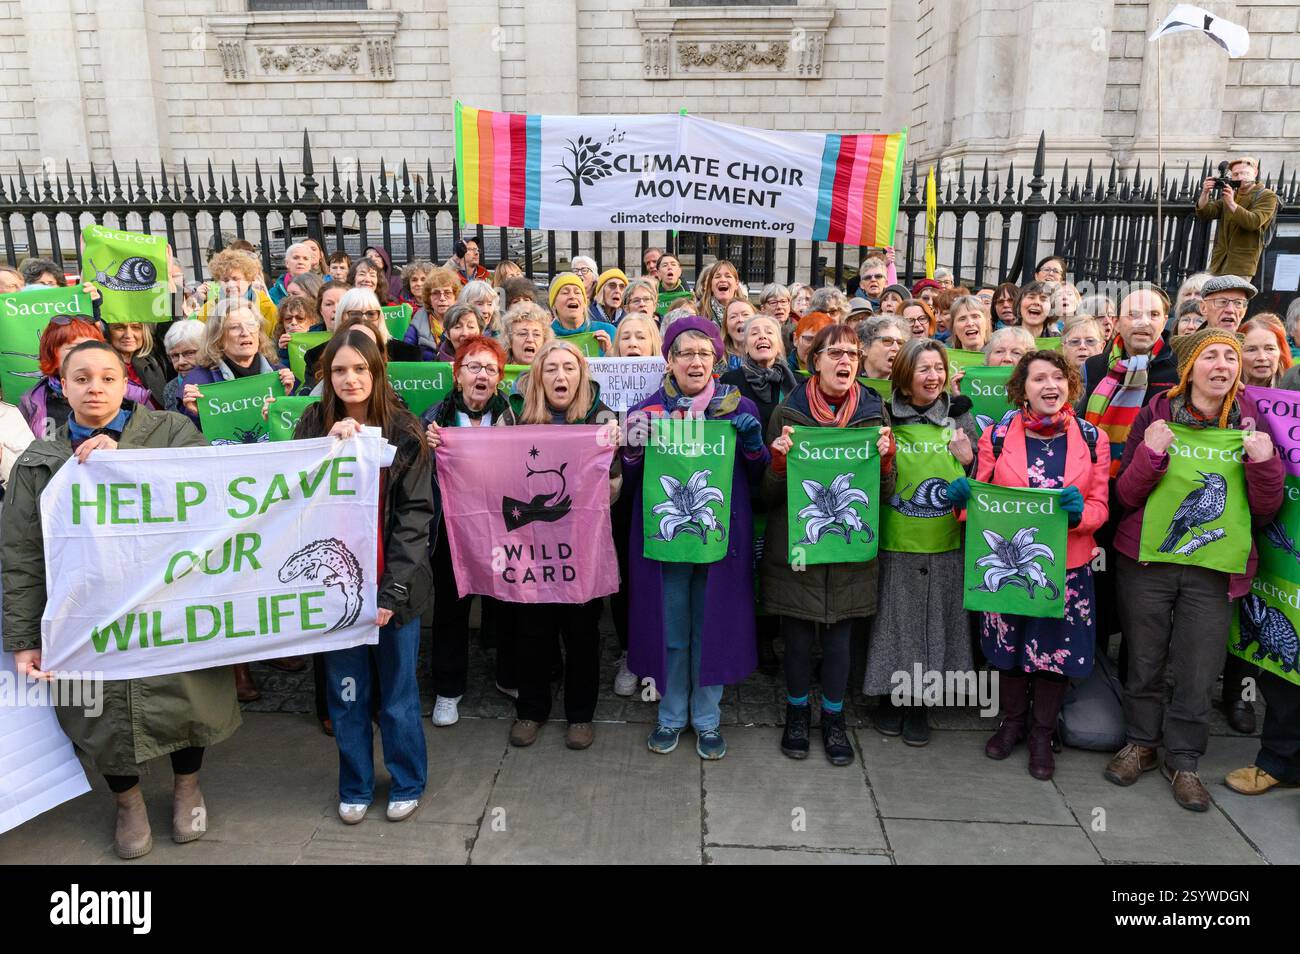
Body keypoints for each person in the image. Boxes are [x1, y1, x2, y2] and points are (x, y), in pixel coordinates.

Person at [4, 339, 239, 859]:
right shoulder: (40, 461)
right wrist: (24, 638)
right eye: (81, 378)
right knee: (98, 715)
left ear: (125, 383)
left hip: (168, 607)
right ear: (62, 387)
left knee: (186, 700)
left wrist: (128, 460)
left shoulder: (171, 432)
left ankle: (187, 787)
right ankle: (128, 802)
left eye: (107, 378)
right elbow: (20, 555)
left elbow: (212, 498)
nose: (95, 388)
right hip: (83, 617)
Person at [1106, 328, 1283, 811]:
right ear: (1190, 368)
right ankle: (1141, 743)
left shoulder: (1252, 421)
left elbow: (1264, 512)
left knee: (1199, 667)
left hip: (1214, 569)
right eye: (1212, 357)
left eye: (1231, 356)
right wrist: (1152, 454)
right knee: (1144, 658)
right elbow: (1126, 496)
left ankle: (1183, 759)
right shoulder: (1157, 413)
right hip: (1148, 561)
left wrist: (1264, 464)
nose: (1223, 365)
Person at [949, 349, 1110, 780]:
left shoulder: (1093, 439)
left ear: (1071, 386)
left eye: (1058, 378)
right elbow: (981, 496)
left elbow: (1100, 507)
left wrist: (1080, 516)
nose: (1050, 386)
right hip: (1006, 563)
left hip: (1067, 566)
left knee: (1052, 654)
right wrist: (963, 500)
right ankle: (1013, 722)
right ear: (1023, 388)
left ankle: (1042, 732)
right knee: (1009, 652)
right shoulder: (998, 435)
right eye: (1039, 379)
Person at [294, 330, 433, 824]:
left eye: (360, 369)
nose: (349, 379)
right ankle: (354, 784)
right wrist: (321, 451)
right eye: (339, 371)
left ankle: (407, 779)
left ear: (376, 373)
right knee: (347, 692)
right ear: (326, 377)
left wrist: (392, 590)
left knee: (396, 696)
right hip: (337, 593)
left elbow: (416, 518)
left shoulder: (404, 430)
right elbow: (294, 497)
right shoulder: (313, 422)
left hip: (394, 590)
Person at [623, 316, 770, 760]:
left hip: (720, 540)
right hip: (663, 544)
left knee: (713, 626)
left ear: (718, 361)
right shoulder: (647, 411)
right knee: (672, 629)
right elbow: (627, 482)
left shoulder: (739, 409)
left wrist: (754, 446)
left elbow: (759, 474)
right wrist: (631, 447)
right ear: (669, 361)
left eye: (705, 353)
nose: (696, 361)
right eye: (686, 353)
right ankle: (670, 715)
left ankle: (707, 720)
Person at [763, 324, 893, 766]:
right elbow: (767, 496)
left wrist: (887, 462)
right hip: (798, 549)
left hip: (850, 550)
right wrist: (778, 464)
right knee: (797, 642)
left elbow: (885, 495)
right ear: (813, 360)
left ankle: (834, 719)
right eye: (834, 352)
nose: (845, 361)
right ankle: (797, 712)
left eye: (853, 354)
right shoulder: (787, 413)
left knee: (839, 643)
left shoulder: (875, 412)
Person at [866, 338, 980, 744]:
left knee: (936, 621)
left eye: (939, 368)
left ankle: (921, 704)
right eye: (923, 369)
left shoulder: (960, 417)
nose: (934, 377)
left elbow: (987, 477)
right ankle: (891, 697)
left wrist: (971, 461)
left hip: (946, 541)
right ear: (904, 376)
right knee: (895, 621)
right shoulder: (882, 415)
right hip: (895, 537)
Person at [508, 339, 620, 749]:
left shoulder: (603, 417)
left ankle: (580, 715)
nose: (561, 376)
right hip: (531, 545)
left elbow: (617, 481)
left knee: (582, 631)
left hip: (581, 545)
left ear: (582, 376)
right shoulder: (516, 418)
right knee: (531, 630)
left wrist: (615, 458)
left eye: (569, 368)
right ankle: (531, 710)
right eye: (551, 368)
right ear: (538, 376)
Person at [422, 336, 518, 726]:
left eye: (490, 369)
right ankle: (448, 688)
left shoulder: (514, 415)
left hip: (502, 529)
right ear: (457, 374)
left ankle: (510, 676)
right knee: (451, 609)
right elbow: (410, 472)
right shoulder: (435, 416)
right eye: (473, 367)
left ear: (499, 378)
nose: (482, 375)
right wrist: (426, 449)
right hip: (452, 532)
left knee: (509, 603)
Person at [1080, 287, 1179, 660]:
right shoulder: (1093, 366)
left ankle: (1132, 681)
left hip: (1154, 496)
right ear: (1116, 321)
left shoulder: (1177, 372)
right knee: (1099, 586)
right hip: (1101, 491)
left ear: (1164, 321)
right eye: (1134, 314)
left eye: (1153, 315)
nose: (1143, 322)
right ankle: (1093, 674)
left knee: (1143, 600)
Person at [19, 317, 151, 439]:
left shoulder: (135, 397)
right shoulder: (32, 402)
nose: (86, 354)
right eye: (75, 348)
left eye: (92, 346)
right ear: (52, 354)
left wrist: (120, 448)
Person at [1195, 156, 1278, 278]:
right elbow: (1205, 212)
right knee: (1212, 297)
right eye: (1236, 174)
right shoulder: (1233, 194)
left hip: (1241, 266)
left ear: (1255, 173)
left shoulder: (1267, 196)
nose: (1240, 177)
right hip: (1218, 263)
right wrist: (1205, 192)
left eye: (1245, 173)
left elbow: (1253, 222)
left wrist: (1231, 204)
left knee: (1234, 297)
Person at [197, 248, 279, 337]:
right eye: (225, 280)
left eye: (236, 279)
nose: (230, 284)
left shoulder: (267, 308)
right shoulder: (207, 310)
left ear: (249, 279)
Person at [103, 321, 165, 409]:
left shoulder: (155, 361)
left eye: (136, 327)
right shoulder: (101, 367)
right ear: (108, 333)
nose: (128, 335)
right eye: (120, 328)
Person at [549, 273, 613, 354]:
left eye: (577, 292)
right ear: (553, 304)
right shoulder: (544, 337)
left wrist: (609, 352)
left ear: (584, 302)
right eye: (565, 292)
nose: (572, 296)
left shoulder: (608, 331)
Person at [406, 266, 459, 360]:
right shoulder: (418, 320)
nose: (442, 298)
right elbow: (406, 355)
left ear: (455, 297)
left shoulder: (463, 319)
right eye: (436, 293)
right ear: (428, 298)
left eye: (447, 293)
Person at [162, 319, 205, 412]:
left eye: (189, 353)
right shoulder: (170, 389)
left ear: (206, 350)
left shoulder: (222, 379)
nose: (181, 362)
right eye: (175, 355)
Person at [1240, 314, 1291, 389]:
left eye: (1270, 349)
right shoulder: (1224, 391)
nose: (1262, 357)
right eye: (1251, 350)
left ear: (1281, 352)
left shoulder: (1294, 389)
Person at [272, 295, 321, 367]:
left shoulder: (322, 344)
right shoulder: (273, 348)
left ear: (313, 321)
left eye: (300, 319)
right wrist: (283, 352)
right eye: (288, 319)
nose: (293, 323)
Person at [859, 315, 909, 381]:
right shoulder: (848, 383)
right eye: (887, 341)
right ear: (865, 348)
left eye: (900, 343)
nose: (896, 348)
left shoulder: (906, 386)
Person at [503, 302, 553, 366]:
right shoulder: (496, 373)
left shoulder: (554, 374)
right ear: (509, 341)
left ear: (545, 341)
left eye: (536, 334)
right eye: (523, 334)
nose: (530, 339)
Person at [695, 259, 742, 328]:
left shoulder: (748, 313)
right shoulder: (697, 312)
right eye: (717, 277)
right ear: (710, 285)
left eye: (728, 276)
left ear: (736, 284)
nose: (722, 279)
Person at [720, 298, 754, 373]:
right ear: (726, 327)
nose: (740, 319)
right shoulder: (716, 359)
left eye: (745, 314)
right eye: (733, 316)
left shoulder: (769, 356)